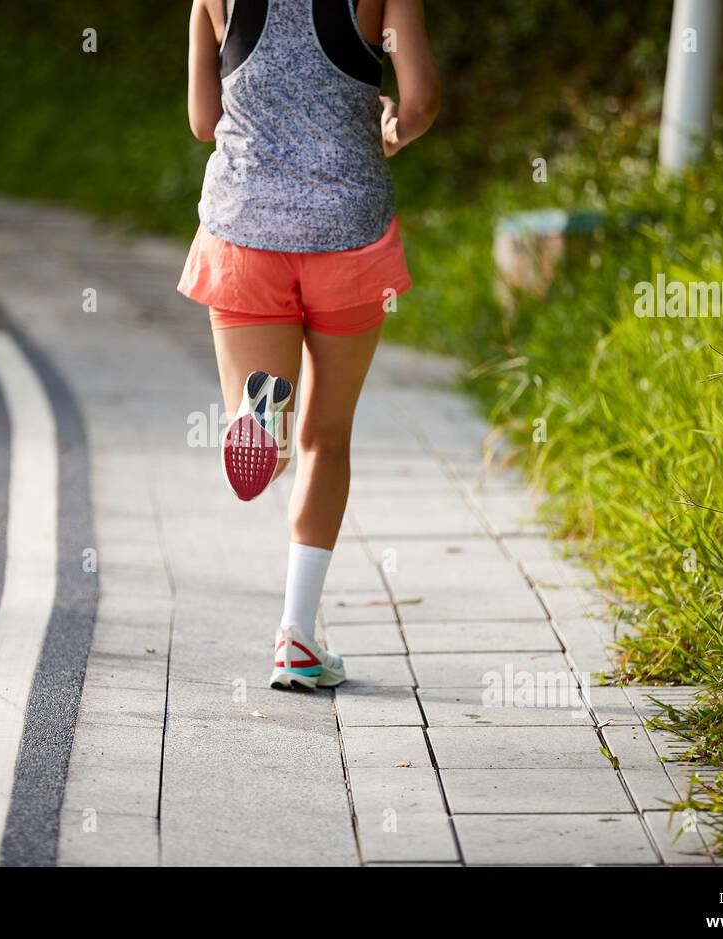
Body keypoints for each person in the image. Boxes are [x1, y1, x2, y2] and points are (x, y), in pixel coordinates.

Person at [178, 0, 440, 690]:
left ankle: (256, 416)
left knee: (267, 421)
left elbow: (205, 122)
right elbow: (422, 101)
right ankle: (297, 637)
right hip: (349, 239)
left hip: (245, 235)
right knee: (326, 437)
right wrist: (393, 127)